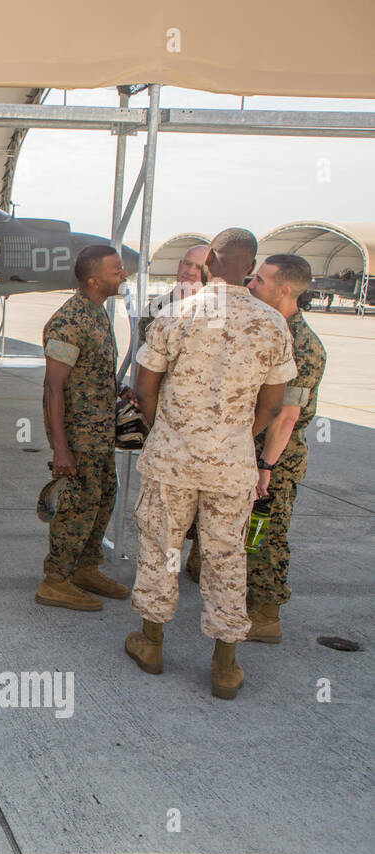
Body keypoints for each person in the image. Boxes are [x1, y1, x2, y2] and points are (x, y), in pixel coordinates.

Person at [124, 228, 295, 700]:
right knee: (225, 556)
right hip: (231, 463)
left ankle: (152, 644)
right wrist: (237, 436)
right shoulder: (272, 323)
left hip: (172, 459)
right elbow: (273, 403)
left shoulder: (176, 313)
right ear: (252, 266)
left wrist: (170, 431)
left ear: (211, 260)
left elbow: (144, 389)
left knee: (162, 547)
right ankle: (225, 665)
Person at [36, 246, 131, 611]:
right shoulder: (69, 321)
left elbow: (89, 372)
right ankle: (55, 581)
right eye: (116, 270)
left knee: (103, 499)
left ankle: (85, 568)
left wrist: (119, 391)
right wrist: (61, 447)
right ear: (93, 280)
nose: (123, 275)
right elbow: (53, 387)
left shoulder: (97, 313)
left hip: (100, 434)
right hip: (78, 437)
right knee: (77, 508)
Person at [245, 254, 327, 642]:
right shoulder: (270, 328)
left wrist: (265, 466)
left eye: (259, 280)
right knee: (248, 533)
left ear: (285, 290)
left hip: (276, 457)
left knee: (267, 534)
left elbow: (287, 415)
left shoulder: (303, 345)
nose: (251, 285)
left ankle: (266, 614)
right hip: (255, 451)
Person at [143, 244, 211, 582]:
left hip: (212, 430)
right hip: (168, 423)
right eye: (185, 263)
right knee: (166, 509)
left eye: (197, 267)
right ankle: (166, 571)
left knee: (209, 504)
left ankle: (199, 558)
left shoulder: (220, 310)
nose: (188, 271)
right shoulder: (159, 307)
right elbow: (147, 371)